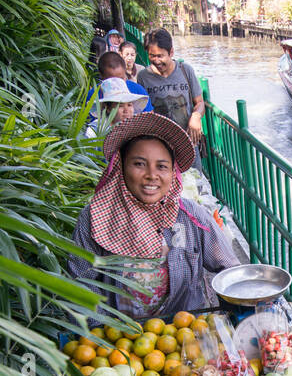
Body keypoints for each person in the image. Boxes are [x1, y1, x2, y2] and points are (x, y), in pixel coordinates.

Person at [69, 113, 240, 316]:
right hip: (119, 338)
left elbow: (230, 270)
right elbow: (80, 286)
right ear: (121, 166)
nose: (152, 175)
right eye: (139, 164)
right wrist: (101, 335)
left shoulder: (192, 216)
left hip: (184, 333)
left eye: (162, 166)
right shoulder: (95, 218)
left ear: (172, 172)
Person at [138, 28, 204, 145]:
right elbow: (143, 111)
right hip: (161, 144)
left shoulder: (186, 70)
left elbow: (199, 102)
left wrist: (196, 116)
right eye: (152, 56)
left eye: (160, 56)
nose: (156, 61)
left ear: (171, 52)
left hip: (188, 142)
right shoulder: (143, 77)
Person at [83, 78, 149, 138]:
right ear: (108, 108)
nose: (126, 110)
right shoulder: (96, 130)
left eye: (129, 105)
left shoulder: (138, 127)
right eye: (120, 106)